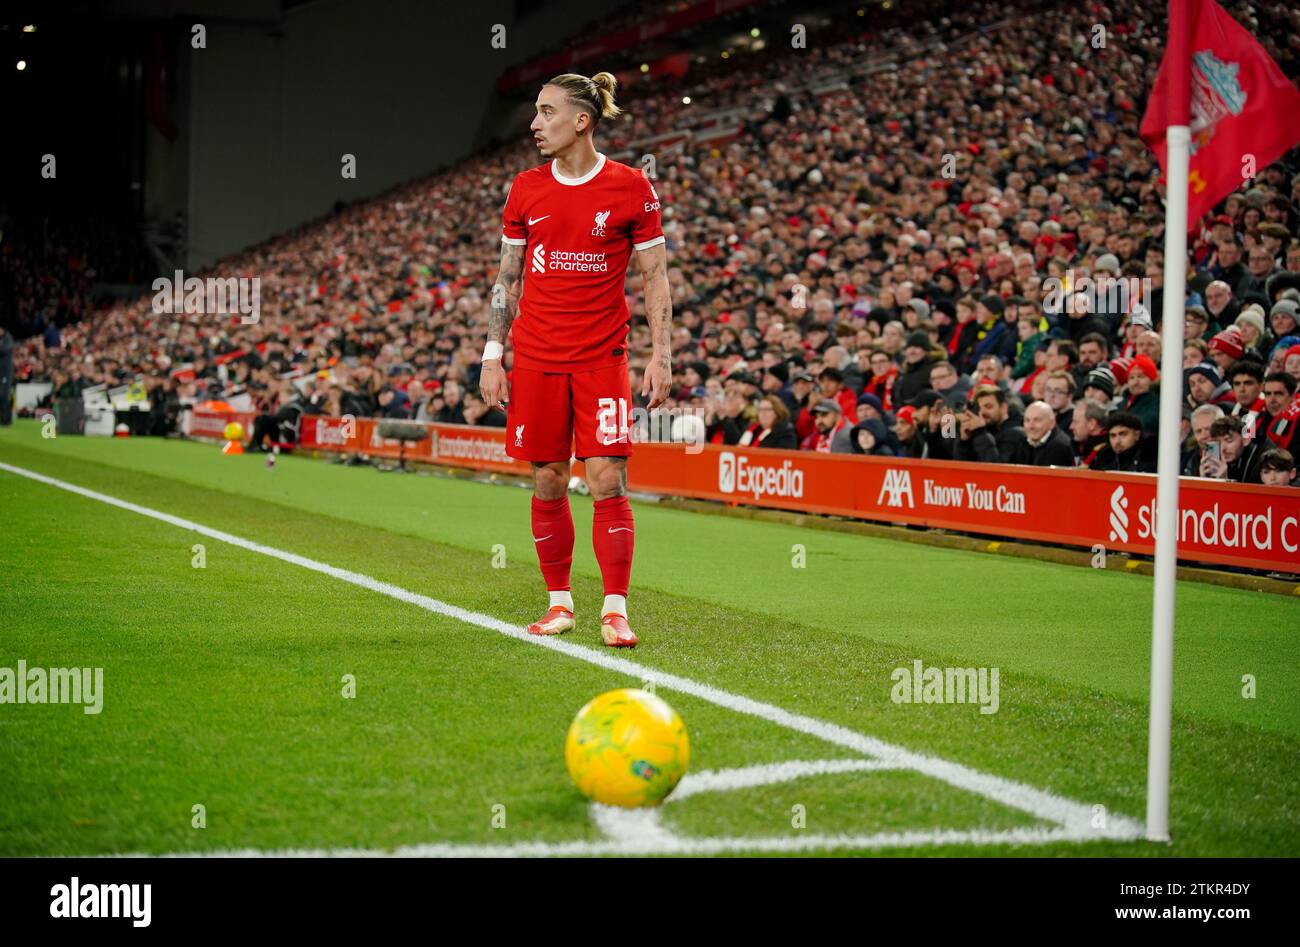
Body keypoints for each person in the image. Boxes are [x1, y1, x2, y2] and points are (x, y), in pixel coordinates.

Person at [480, 71, 667, 648]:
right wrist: (493, 353)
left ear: (580, 121)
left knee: (608, 478)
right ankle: (560, 604)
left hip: (602, 357)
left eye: (545, 112)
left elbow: (655, 276)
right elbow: (507, 279)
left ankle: (615, 609)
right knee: (549, 478)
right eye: (535, 112)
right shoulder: (525, 188)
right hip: (535, 355)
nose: (535, 123)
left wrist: (662, 354)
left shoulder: (632, 187)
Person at [954, 384, 1027, 463]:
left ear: (1003, 407)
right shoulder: (981, 431)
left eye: (988, 407)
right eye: (979, 408)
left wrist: (980, 432)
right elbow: (963, 469)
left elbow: (997, 469)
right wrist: (965, 442)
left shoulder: (1016, 434)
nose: (982, 412)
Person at [1090, 411, 1157, 473]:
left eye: (1123, 434)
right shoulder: (1104, 456)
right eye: (1113, 436)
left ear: (1137, 435)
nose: (1117, 441)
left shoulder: (1150, 456)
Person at [1013, 400, 1074, 466]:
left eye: (1037, 420)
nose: (1031, 426)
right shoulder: (1023, 442)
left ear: (1052, 423)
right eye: (1027, 420)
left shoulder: (1060, 447)